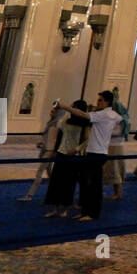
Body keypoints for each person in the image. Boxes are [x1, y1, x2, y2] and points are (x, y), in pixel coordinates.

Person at [53, 92, 123, 222]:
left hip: (96, 153)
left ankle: (91, 213)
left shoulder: (103, 115)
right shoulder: (113, 115)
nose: (98, 102)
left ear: (107, 102)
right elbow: (120, 118)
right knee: (89, 184)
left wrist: (64, 106)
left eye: (100, 100)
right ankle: (87, 211)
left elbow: (82, 114)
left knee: (92, 186)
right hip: (98, 152)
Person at [43, 100, 89, 218]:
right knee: (56, 181)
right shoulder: (66, 121)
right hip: (62, 153)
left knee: (69, 183)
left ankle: (65, 208)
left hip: (74, 156)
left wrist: (77, 149)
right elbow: (59, 125)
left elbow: (87, 140)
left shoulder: (85, 123)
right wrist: (65, 112)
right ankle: (55, 208)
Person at [20, 106, 68, 201]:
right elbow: (49, 137)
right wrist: (42, 143)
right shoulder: (51, 123)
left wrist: (54, 150)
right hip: (46, 149)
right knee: (49, 172)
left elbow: (56, 138)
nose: (51, 112)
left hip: (50, 151)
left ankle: (30, 195)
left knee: (40, 172)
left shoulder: (57, 124)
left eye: (53, 111)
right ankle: (55, 191)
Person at [104, 97, 130, 199]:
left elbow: (113, 133)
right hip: (117, 146)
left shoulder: (116, 120)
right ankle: (117, 193)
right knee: (115, 170)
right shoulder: (123, 119)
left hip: (113, 147)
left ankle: (118, 193)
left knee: (113, 170)